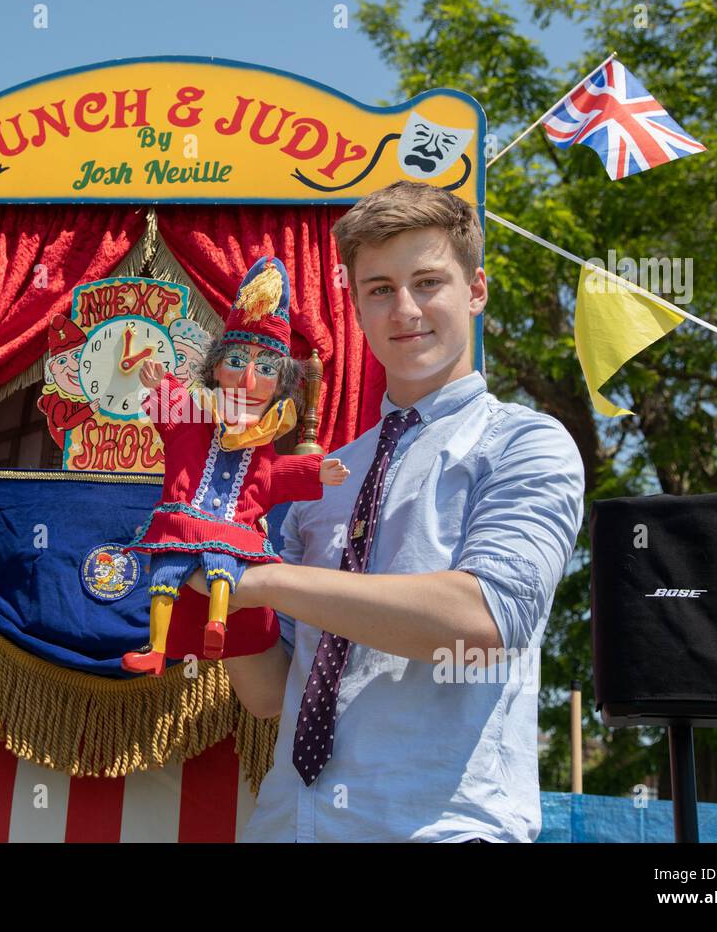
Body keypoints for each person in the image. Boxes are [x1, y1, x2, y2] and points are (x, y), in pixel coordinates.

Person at [187, 181, 585, 842]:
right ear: (356, 304)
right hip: (289, 824)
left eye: (427, 282)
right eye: (379, 289)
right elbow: (266, 694)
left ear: (476, 290)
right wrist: (210, 561)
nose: (405, 310)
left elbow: (482, 623)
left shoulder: (525, 443)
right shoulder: (322, 475)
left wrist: (259, 580)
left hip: (443, 828)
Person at [120, 257, 350, 675]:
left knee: (223, 571)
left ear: (278, 385)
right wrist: (158, 386)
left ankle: (217, 624)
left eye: (264, 369)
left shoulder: (263, 441)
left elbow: (274, 477)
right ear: (216, 369)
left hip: (231, 533)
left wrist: (316, 471)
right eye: (237, 363)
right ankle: (155, 648)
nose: (248, 381)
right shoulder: (193, 419)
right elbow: (170, 412)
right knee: (164, 577)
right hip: (182, 525)